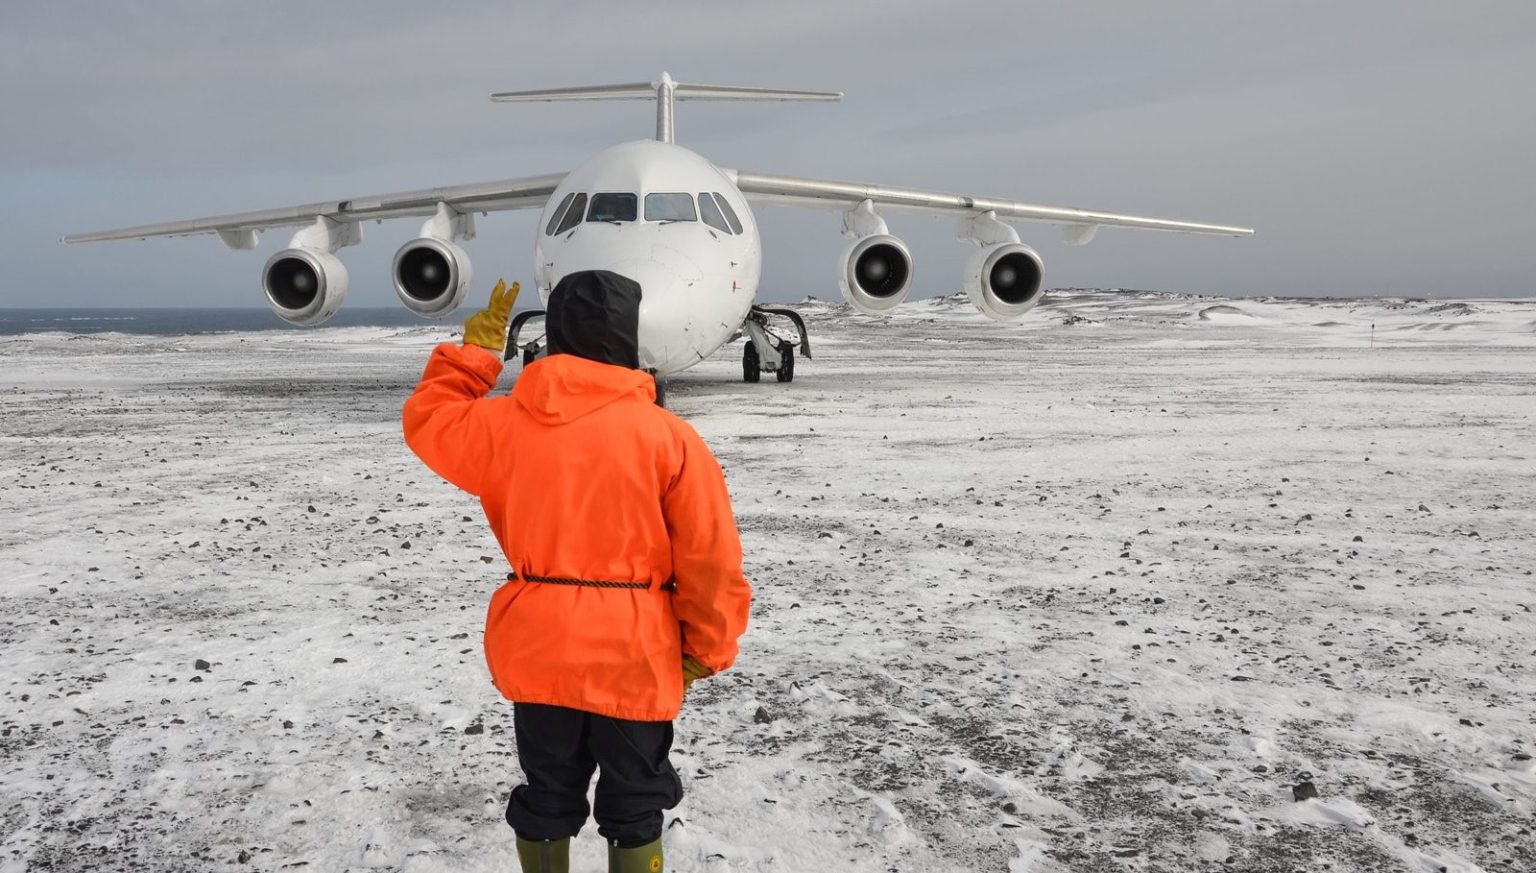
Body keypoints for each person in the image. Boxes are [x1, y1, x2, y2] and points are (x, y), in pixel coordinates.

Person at [402, 272, 752, 873]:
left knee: (547, 796)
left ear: (555, 332)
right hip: (634, 652)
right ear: (627, 335)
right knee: (635, 805)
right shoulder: (669, 438)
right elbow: (710, 558)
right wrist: (707, 648)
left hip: (539, 647)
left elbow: (430, 420)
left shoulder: (504, 427)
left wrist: (476, 354)